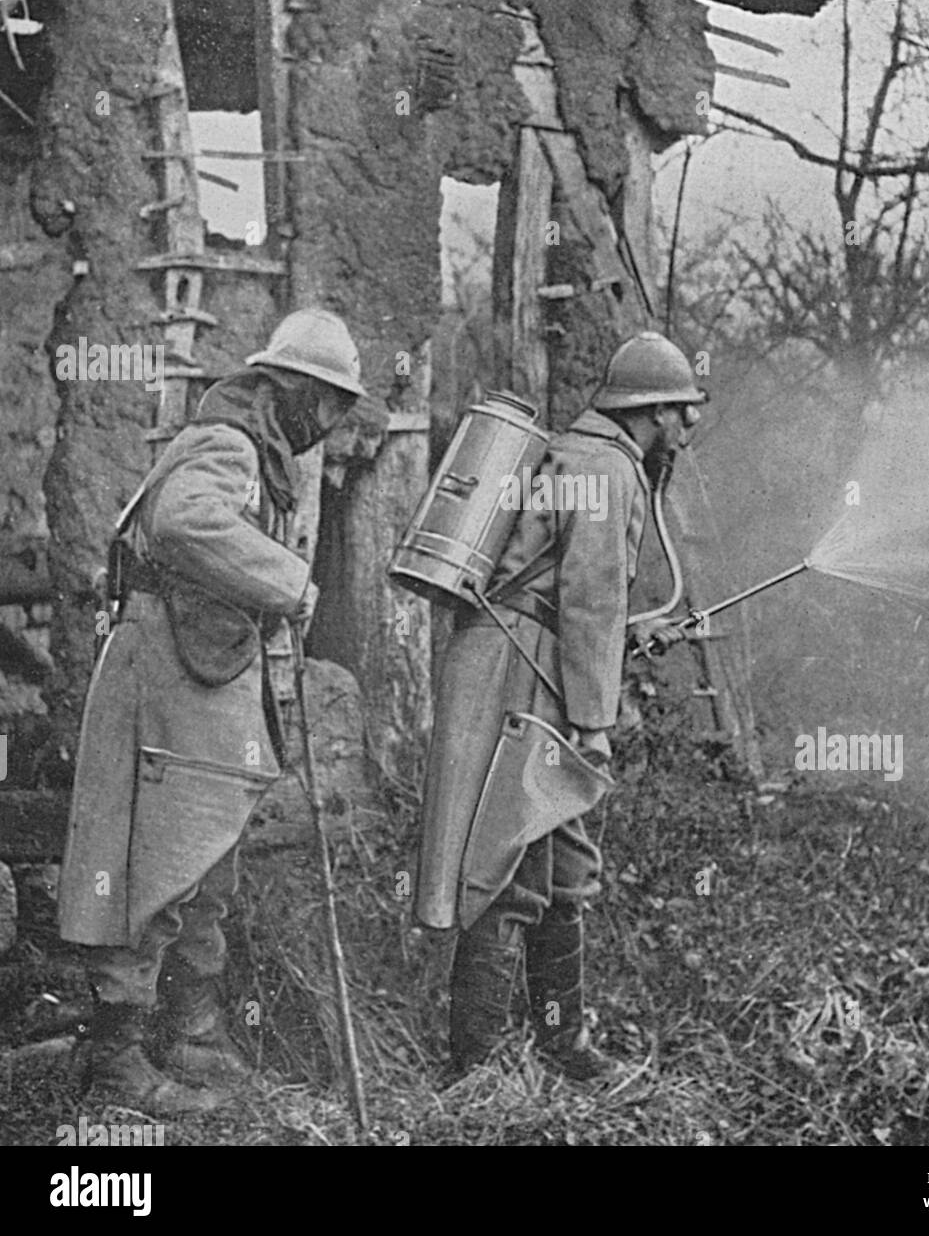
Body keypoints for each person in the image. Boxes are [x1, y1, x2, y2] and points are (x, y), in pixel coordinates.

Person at [58, 308, 366, 1114]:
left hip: (200, 682)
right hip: (164, 678)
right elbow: (184, 521)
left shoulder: (258, 455)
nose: (331, 421)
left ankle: (189, 1034)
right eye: (329, 400)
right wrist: (289, 582)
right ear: (291, 388)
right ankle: (118, 1063)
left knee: (204, 865)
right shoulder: (226, 444)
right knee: (153, 871)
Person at [415, 330, 704, 1079]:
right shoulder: (607, 467)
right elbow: (588, 602)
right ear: (650, 411)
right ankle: (474, 1070)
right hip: (523, 669)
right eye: (681, 411)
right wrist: (596, 727)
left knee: (565, 861)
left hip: (520, 653)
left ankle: (563, 1047)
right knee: (510, 857)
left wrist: (641, 635)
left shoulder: (586, 456)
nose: (689, 426)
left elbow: (570, 595)